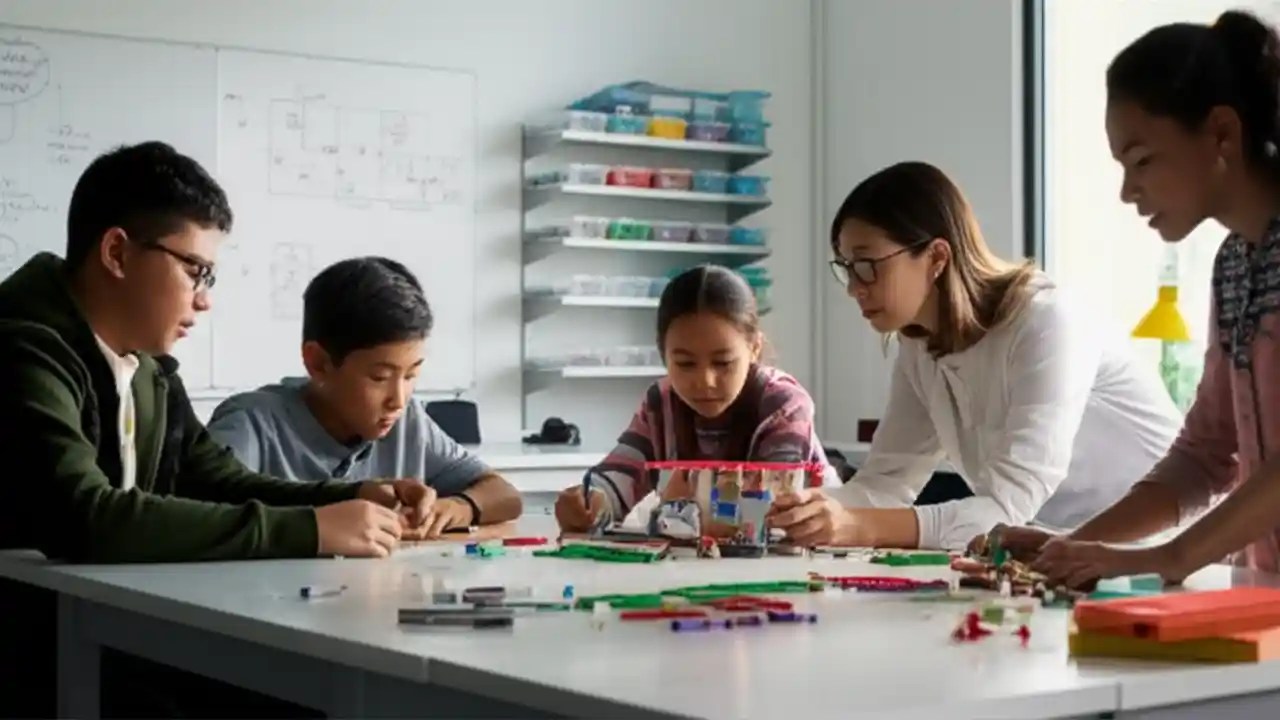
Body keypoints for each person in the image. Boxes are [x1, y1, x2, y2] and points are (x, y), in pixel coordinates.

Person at [0, 141, 436, 563]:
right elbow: (86, 518)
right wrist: (310, 530)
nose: (204, 299)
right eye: (196, 271)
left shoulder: (147, 368)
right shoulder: (22, 347)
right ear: (117, 253)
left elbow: (213, 482)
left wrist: (351, 495)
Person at [996, 9, 1280, 588]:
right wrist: (1072, 547)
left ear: (1222, 132)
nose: (1129, 191)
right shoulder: (1234, 265)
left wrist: (1170, 557)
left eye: (1143, 160)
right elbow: (1204, 455)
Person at [767, 161, 1182, 550]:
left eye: (867, 264)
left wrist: (857, 525)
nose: (854, 287)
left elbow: (1007, 505)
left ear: (936, 257)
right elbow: (885, 482)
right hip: (1061, 552)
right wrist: (797, 512)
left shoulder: (1045, 320)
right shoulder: (919, 347)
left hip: (1165, 548)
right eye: (846, 266)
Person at [207, 257, 522, 538]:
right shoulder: (251, 423)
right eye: (379, 378)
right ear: (319, 363)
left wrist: (457, 507)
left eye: (411, 375)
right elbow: (200, 512)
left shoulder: (407, 421)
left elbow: (504, 494)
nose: (398, 400)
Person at [554, 265, 834, 532]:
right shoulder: (660, 403)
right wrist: (591, 504)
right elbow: (622, 473)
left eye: (723, 362)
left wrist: (683, 502)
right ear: (663, 353)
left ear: (754, 349)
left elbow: (769, 509)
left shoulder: (784, 405)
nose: (705, 381)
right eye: (685, 364)